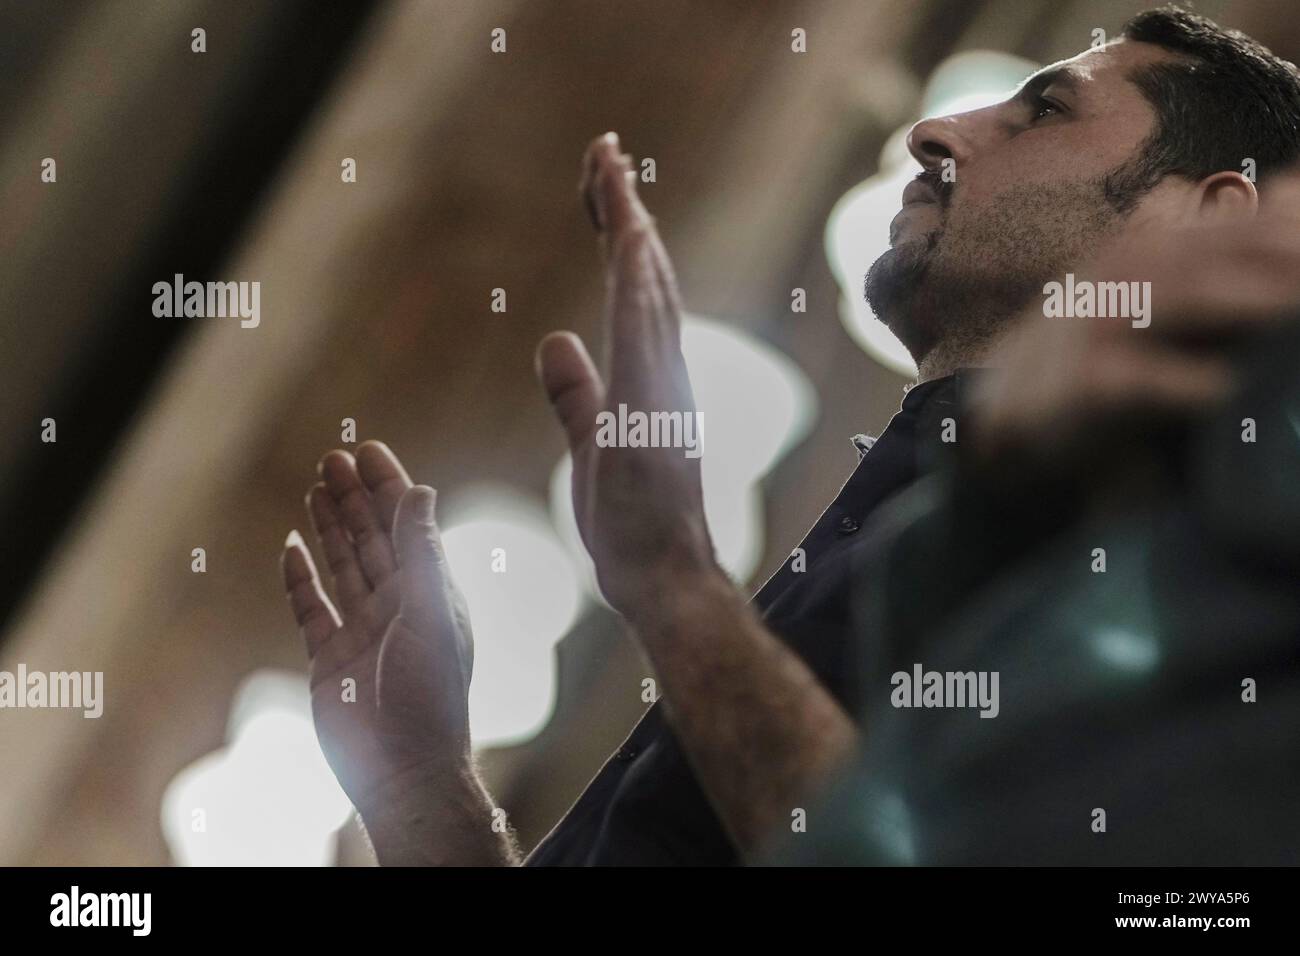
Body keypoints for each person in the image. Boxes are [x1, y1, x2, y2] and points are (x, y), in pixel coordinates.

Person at [279, 7, 1300, 864]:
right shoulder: (919, 519)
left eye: (1042, 113)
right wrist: (417, 779)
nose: (933, 131)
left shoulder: (1177, 558)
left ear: (1213, 215)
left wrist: (672, 580)